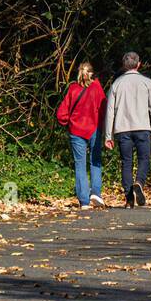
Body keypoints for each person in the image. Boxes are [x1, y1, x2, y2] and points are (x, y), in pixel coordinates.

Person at [104, 51, 151, 207]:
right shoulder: (147, 82)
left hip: (122, 129)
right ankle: (139, 183)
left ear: (124, 65)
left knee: (126, 163)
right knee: (144, 159)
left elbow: (110, 111)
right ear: (138, 64)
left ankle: (129, 199)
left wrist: (108, 135)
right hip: (142, 127)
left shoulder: (116, 84)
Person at [56, 61, 107, 209]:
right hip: (94, 129)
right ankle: (96, 192)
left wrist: (68, 122)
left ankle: (84, 201)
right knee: (95, 161)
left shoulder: (73, 89)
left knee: (80, 165)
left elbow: (61, 113)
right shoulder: (97, 88)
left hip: (76, 131)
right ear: (91, 73)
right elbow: (104, 108)